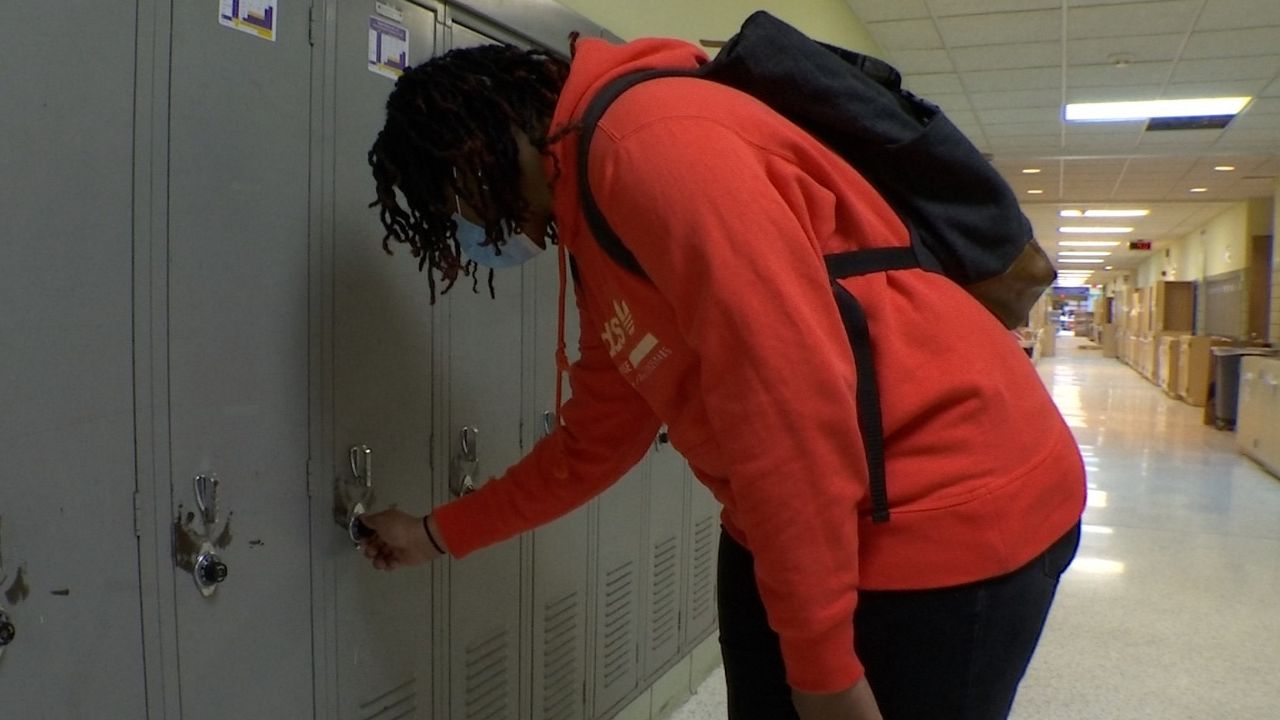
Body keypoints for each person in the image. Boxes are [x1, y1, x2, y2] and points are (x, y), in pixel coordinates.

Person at [359, 34, 1085, 720]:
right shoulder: (596, 215)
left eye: (453, 204)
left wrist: (824, 672)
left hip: (947, 512)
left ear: (477, 152)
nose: (464, 228)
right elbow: (593, 445)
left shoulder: (649, 149)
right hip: (797, 520)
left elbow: (789, 407)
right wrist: (434, 533)